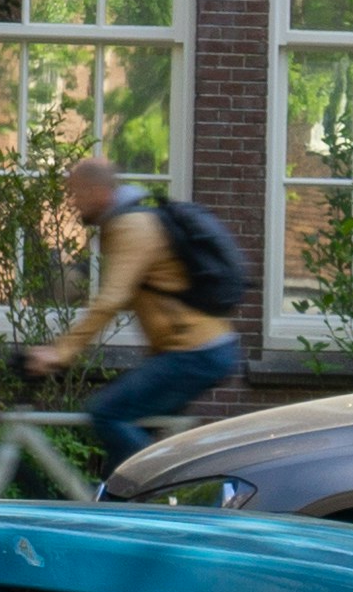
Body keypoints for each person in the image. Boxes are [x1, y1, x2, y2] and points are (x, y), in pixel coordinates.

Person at [28, 153, 245, 466]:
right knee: (126, 444)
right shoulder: (125, 223)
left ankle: (152, 501)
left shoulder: (132, 225)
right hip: (192, 351)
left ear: (99, 192)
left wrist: (60, 352)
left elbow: (112, 299)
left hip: (196, 353)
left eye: (76, 194)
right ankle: (132, 501)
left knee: (106, 414)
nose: (72, 203)